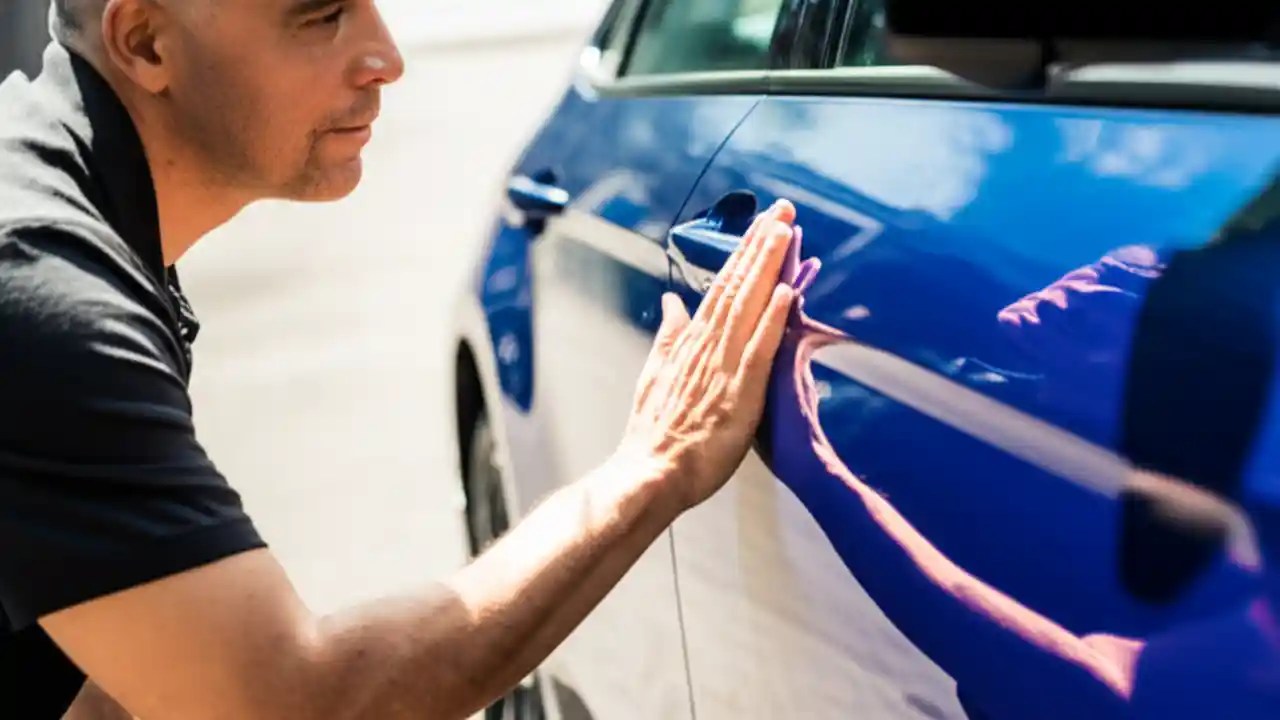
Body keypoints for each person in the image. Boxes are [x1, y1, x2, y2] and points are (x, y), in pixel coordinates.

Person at [0, 1, 800, 717]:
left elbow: (127, 685)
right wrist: (651, 470)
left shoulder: (58, 207)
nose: (386, 58)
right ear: (146, 43)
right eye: (323, 17)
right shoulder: (47, 297)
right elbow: (292, 704)